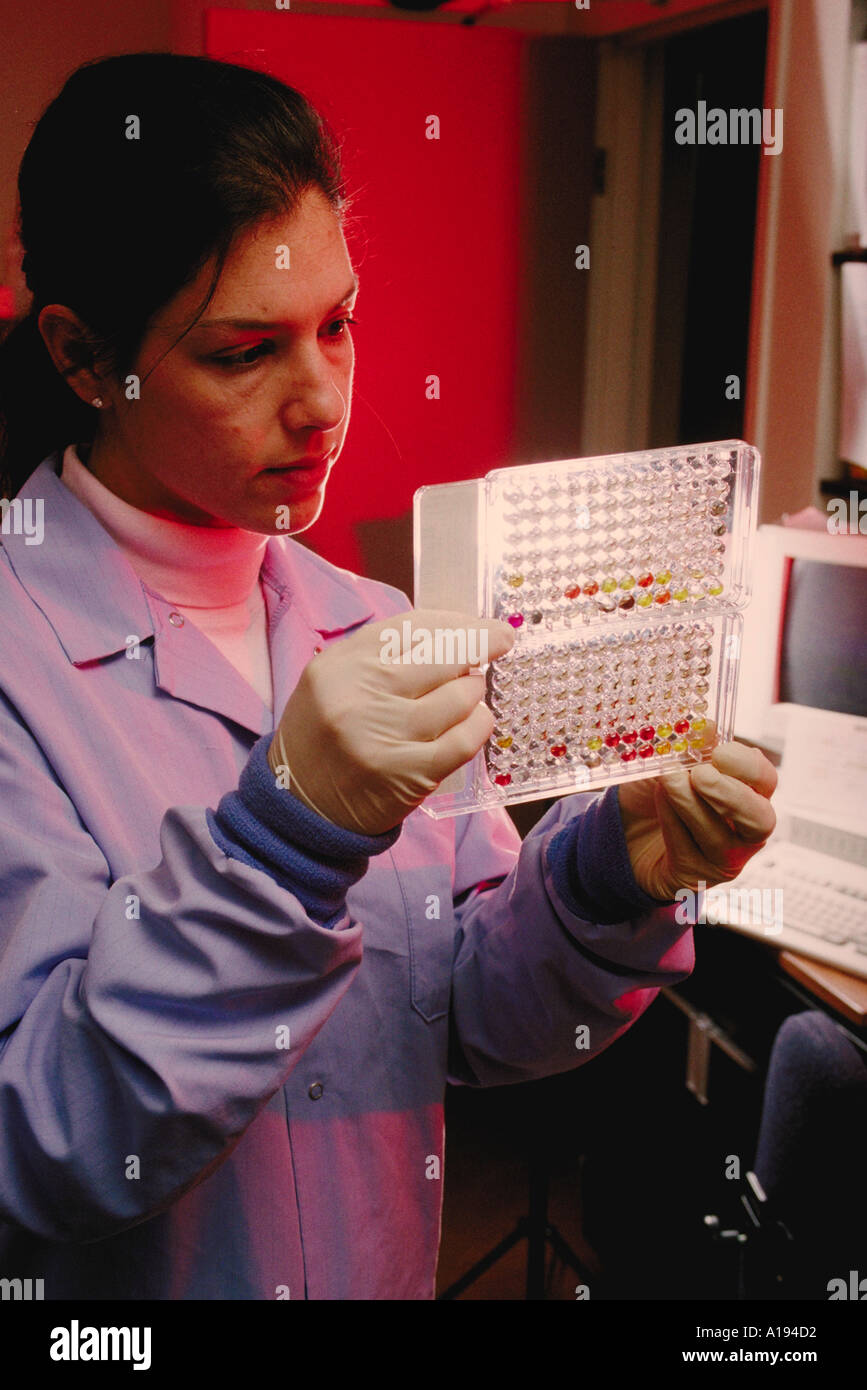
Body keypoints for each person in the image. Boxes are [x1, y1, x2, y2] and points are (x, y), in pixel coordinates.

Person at [0, 52, 777, 1300]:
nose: (322, 400)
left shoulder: (374, 627)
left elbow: (469, 1019)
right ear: (88, 356)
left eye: (340, 324)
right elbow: (51, 1147)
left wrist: (602, 875)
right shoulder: (16, 662)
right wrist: (282, 843)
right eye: (245, 350)